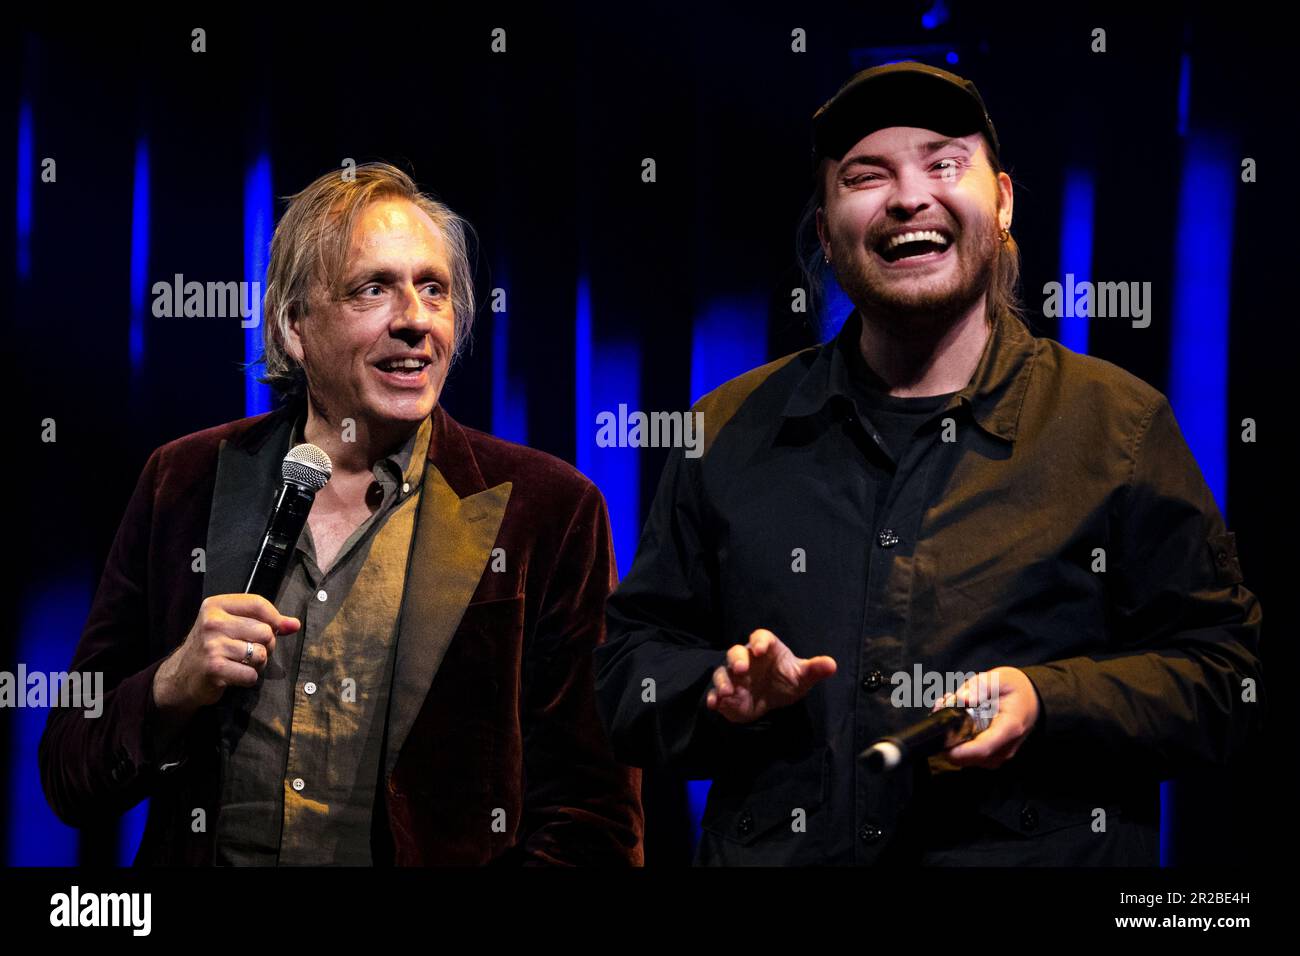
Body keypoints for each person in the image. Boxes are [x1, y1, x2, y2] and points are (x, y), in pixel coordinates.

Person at [594, 62, 1262, 865]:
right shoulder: (729, 429)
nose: (909, 196)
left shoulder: (1116, 426)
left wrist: (1049, 700)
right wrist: (717, 691)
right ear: (827, 234)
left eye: (944, 164)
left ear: (1004, 201)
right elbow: (628, 670)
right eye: (866, 177)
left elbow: (1224, 676)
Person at [39, 162, 643, 865]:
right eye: (373, 289)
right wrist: (173, 686)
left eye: (433, 290)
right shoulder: (183, 481)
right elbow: (68, 772)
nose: (414, 320)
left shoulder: (550, 509)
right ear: (295, 326)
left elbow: (595, 822)